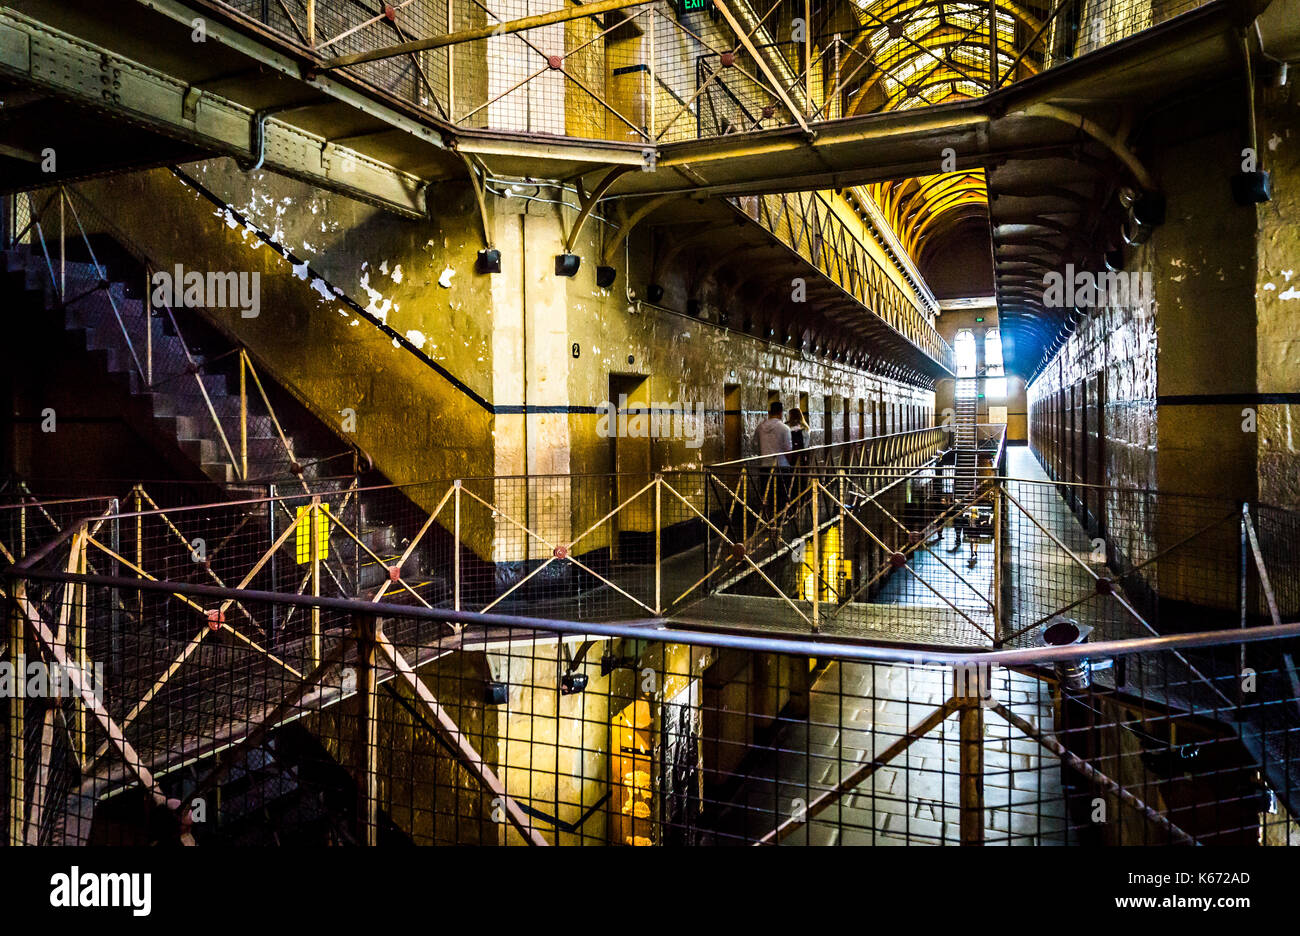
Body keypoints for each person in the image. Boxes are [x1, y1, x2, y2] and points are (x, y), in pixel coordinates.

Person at [752, 401, 792, 516]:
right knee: (781, 494)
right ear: (780, 412)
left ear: (770, 412)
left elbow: (755, 445)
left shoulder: (760, 428)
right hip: (782, 466)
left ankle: (766, 517)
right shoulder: (784, 428)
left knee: (766, 493)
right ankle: (780, 517)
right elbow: (788, 448)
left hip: (765, 465)